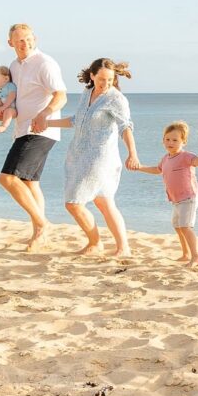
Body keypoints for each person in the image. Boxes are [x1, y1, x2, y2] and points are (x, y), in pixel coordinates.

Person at [45, 58, 139, 257]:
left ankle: (96, 242)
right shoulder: (87, 93)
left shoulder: (116, 99)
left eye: (110, 80)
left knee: (73, 202)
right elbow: (76, 120)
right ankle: (123, 248)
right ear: (92, 75)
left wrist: (132, 153)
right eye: (102, 79)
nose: (106, 84)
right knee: (104, 202)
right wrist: (47, 124)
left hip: (100, 158)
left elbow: (125, 127)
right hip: (78, 154)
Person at [0, 23, 67, 251]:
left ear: (34, 39)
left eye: (28, 39)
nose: (24, 43)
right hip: (22, 128)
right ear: (11, 43)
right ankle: (39, 234)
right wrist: (2, 111)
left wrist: (45, 114)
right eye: (19, 40)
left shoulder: (44, 63)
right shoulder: (13, 66)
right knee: (30, 182)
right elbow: (15, 97)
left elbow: (61, 95)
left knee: (7, 178)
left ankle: (42, 224)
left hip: (40, 130)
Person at [130, 121, 198, 267]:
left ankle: (196, 256)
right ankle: (186, 254)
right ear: (163, 140)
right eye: (167, 139)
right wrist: (140, 167)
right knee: (178, 226)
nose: (171, 142)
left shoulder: (186, 156)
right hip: (175, 199)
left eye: (175, 140)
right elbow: (157, 170)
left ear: (183, 142)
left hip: (188, 197)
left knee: (186, 226)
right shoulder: (166, 158)